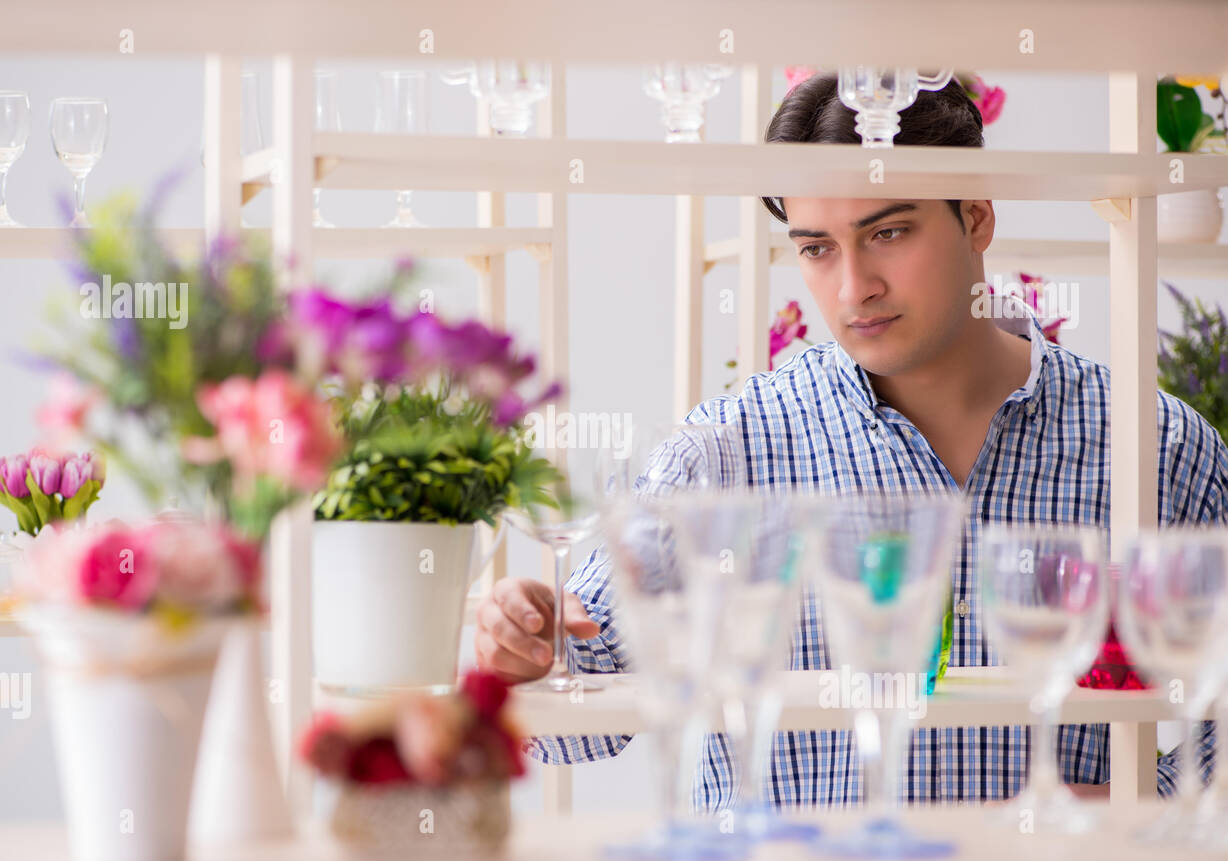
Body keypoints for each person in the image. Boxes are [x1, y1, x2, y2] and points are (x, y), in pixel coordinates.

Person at [473, 71, 1225, 810]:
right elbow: (574, 714)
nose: (852, 286)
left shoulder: (1157, 447)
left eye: (888, 232)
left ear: (978, 218)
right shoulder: (728, 453)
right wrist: (523, 635)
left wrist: (1133, 809)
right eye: (817, 248)